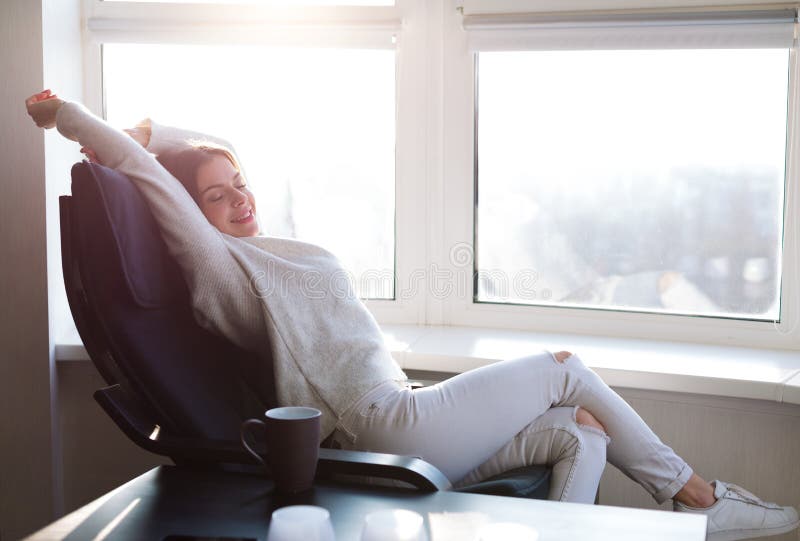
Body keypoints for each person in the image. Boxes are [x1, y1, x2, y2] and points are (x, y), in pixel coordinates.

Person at [26, 90, 798, 541]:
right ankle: (699, 498)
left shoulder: (272, 249)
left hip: (404, 409)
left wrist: (162, 131)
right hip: (384, 422)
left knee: (578, 432)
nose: (239, 199)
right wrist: (76, 120)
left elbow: (199, 148)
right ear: (191, 217)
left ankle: (686, 507)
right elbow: (146, 180)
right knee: (568, 371)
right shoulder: (218, 267)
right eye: (216, 195)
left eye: (241, 182)